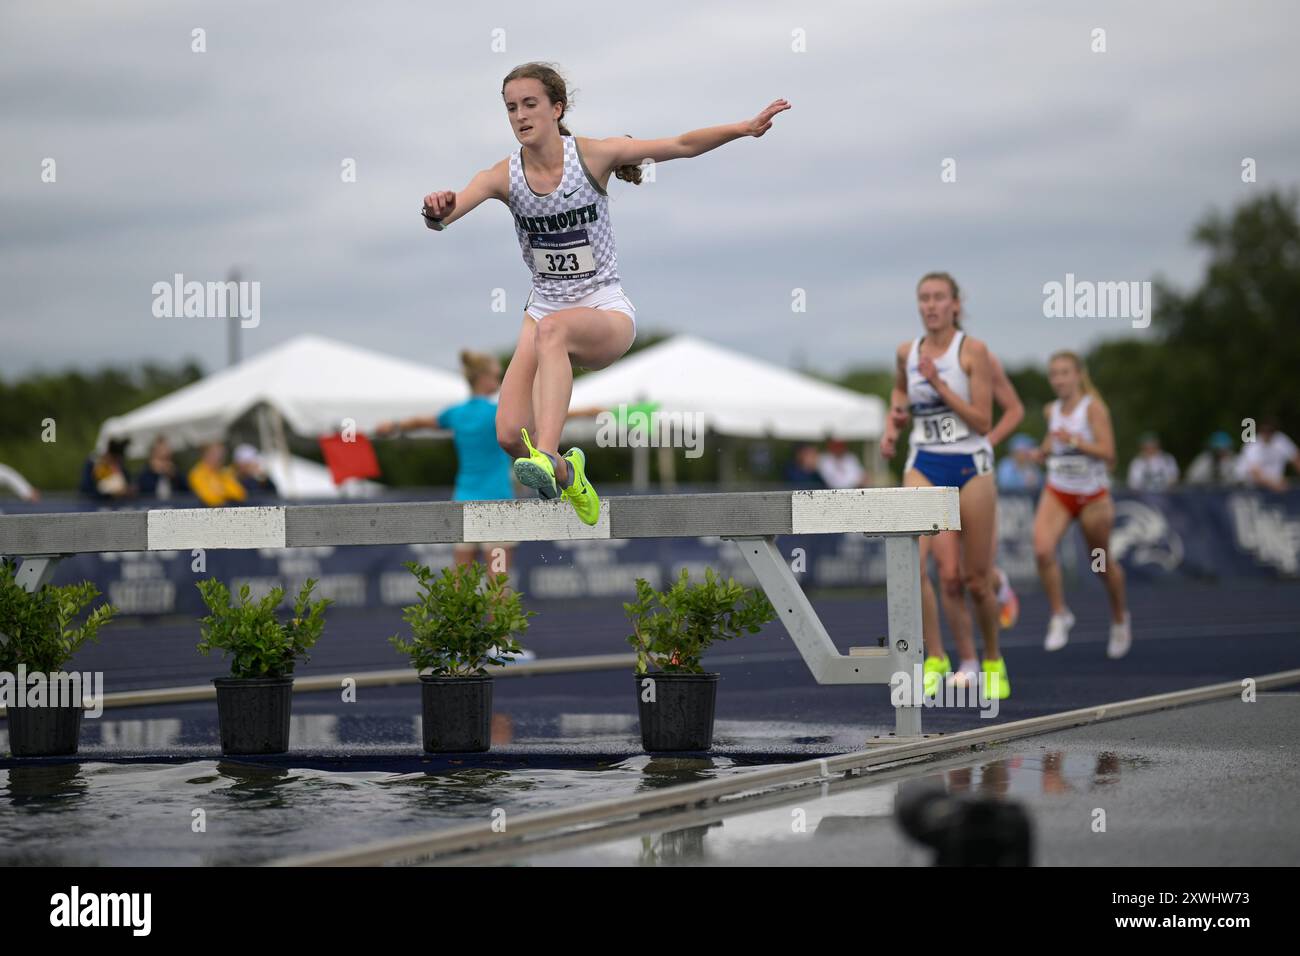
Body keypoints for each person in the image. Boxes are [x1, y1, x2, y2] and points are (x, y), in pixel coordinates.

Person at [421, 61, 790, 525]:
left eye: (530, 104)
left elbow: (679, 144)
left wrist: (743, 128)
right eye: (511, 108)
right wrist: (436, 210)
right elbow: (446, 216)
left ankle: (549, 454)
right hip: (544, 309)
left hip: (603, 309)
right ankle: (570, 476)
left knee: (553, 334)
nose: (520, 115)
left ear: (557, 108)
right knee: (510, 437)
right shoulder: (502, 176)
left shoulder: (594, 156)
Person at [881, 272, 1007, 700]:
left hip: (970, 466)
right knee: (915, 568)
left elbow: (984, 421)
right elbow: (901, 394)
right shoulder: (906, 352)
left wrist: (937, 383)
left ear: (955, 304)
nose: (931, 305)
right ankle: (936, 656)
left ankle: (992, 658)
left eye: (939, 298)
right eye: (924, 298)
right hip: (925, 463)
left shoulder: (973, 352)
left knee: (974, 579)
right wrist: (893, 427)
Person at [1033, 351, 1131, 658]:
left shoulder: (1093, 409)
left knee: (1099, 563)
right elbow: (1052, 442)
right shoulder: (1052, 411)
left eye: (1065, 372)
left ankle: (1119, 617)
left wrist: (1075, 441)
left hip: (1092, 496)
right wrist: (1041, 452)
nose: (1059, 379)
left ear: (1078, 375)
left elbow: (1110, 453)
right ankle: (1060, 613)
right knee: (1042, 549)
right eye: (1054, 374)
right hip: (1059, 490)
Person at [1236, 418, 1300, 491]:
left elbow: (1296, 459)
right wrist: (1273, 484)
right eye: (1264, 430)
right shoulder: (1252, 445)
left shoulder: (1281, 440)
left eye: (1270, 430)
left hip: (1274, 486)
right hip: (1248, 488)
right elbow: (1255, 472)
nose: (1267, 433)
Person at [187, 442, 247, 507]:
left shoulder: (224, 473)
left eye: (221, 456)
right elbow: (208, 498)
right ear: (206, 455)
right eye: (215, 455)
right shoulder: (197, 473)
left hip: (229, 507)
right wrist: (225, 494)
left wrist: (222, 492)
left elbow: (240, 494)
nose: (219, 459)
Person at [80, 437, 132, 502]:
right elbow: (86, 489)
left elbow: (128, 484)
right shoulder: (94, 466)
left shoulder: (121, 467)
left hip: (117, 507)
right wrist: (109, 494)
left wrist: (128, 491)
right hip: (94, 506)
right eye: (113, 458)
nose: (115, 462)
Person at [137, 436, 187, 500]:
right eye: (160, 459)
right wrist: (155, 472)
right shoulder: (145, 474)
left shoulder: (176, 470)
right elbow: (143, 489)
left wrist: (174, 476)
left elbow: (186, 488)